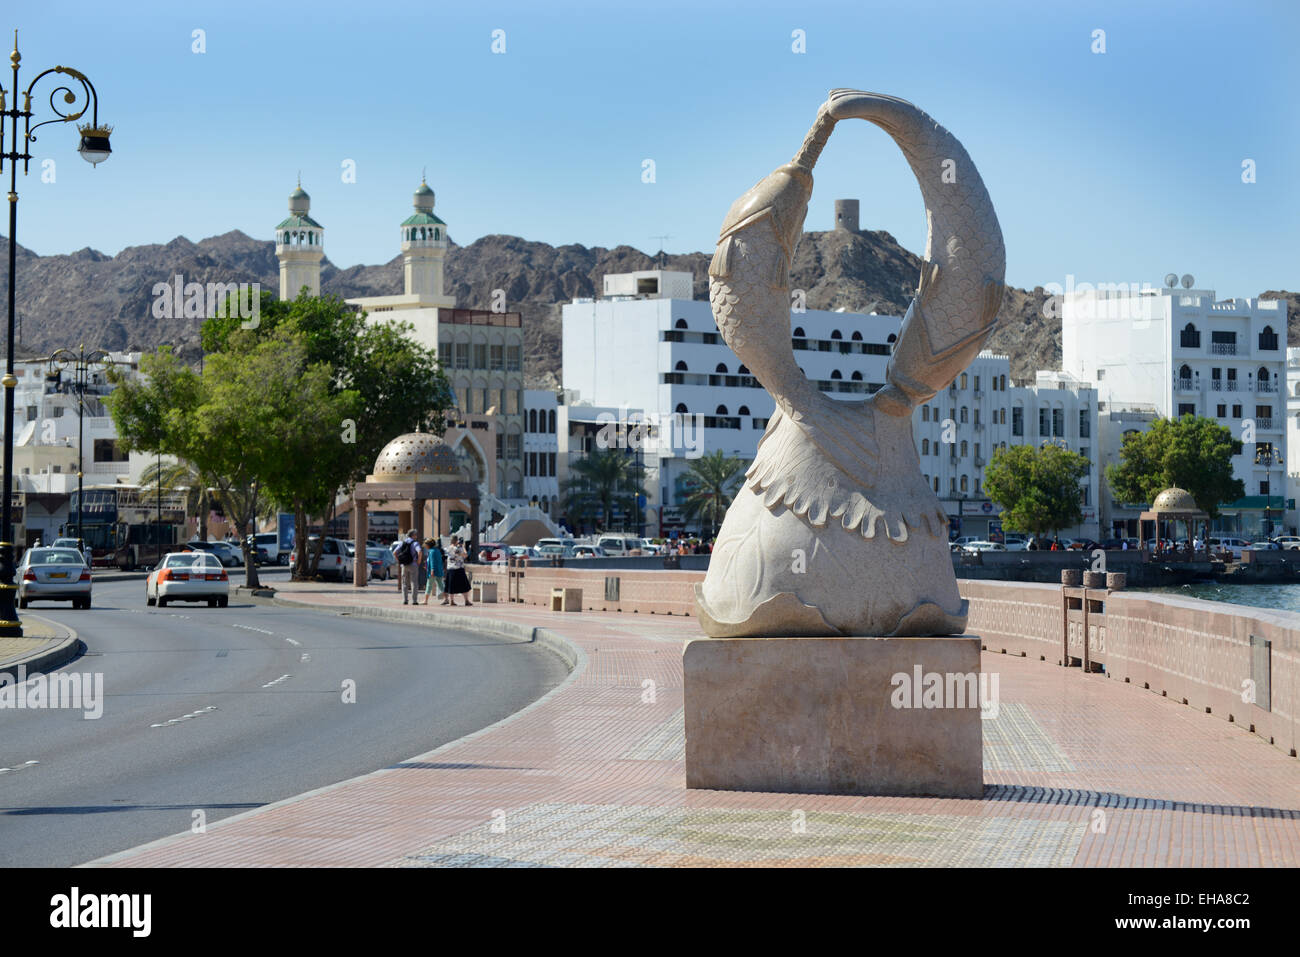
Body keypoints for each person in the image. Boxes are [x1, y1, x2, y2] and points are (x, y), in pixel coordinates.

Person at [392, 528, 421, 605]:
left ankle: (405, 600)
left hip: (404, 565)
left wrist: (399, 561)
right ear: (413, 535)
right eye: (416, 534)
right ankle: (414, 601)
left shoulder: (402, 543)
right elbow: (419, 552)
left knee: (404, 583)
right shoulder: (415, 543)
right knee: (414, 582)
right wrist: (418, 561)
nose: (416, 536)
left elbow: (394, 552)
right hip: (413, 564)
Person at [443, 535, 472, 607]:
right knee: (464, 586)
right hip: (459, 568)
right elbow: (465, 555)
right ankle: (466, 600)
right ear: (456, 541)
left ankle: (451, 601)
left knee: (451, 586)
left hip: (450, 569)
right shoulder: (458, 548)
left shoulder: (448, 548)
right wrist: (463, 547)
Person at [423, 537, 445, 606]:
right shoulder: (437, 550)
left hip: (433, 572)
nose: (425, 546)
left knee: (429, 585)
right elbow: (440, 561)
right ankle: (447, 599)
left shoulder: (431, 551)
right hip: (439, 570)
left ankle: (425, 600)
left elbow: (432, 561)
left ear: (428, 545)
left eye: (425, 544)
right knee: (441, 585)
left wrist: (432, 570)